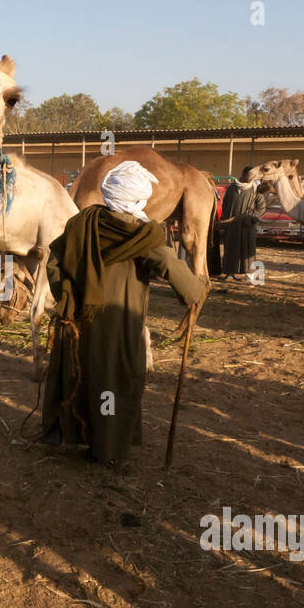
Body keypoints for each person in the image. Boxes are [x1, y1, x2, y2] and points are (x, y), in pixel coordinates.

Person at [41, 160, 209, 465]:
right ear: (136, 199)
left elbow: (54, 259)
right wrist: (194, 294)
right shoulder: (144, 235)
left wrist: (65, 294)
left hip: (79, 318)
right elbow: (173, 268)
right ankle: (106, 449)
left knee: (79, 373)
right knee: (113, 383)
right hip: (120, 323)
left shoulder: (82, 223)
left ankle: (64, 433)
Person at [219, 166, 266, 280]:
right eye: (249, 175)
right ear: (243, 175)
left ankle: (248, 273)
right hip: (232, 225)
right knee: (231, 248)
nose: (251, 178)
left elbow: (262, 207)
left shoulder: (256, 189)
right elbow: (225, 206)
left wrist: (250, 218)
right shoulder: (232, 188)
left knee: (248, 249)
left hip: (247, 225)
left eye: (253, 176)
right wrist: (225, 222)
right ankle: (230, 273)